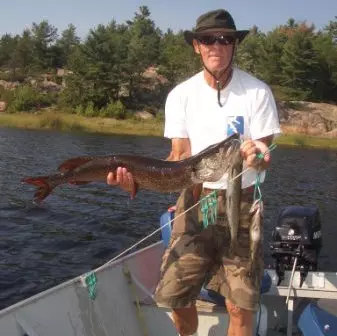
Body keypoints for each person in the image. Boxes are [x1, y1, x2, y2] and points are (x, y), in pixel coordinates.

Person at [107, 9, 281, 336]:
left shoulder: (257, 93)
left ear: (234, 45)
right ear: (196, 46)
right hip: (194, 199)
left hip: (241, 203)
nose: (217, 45)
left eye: (225, 39)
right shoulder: (181, 95)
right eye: (208, 39)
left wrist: (256, 156)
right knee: (175, 295)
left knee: (239, 304)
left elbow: (262, 153)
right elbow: (179, 155)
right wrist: (137, 179)